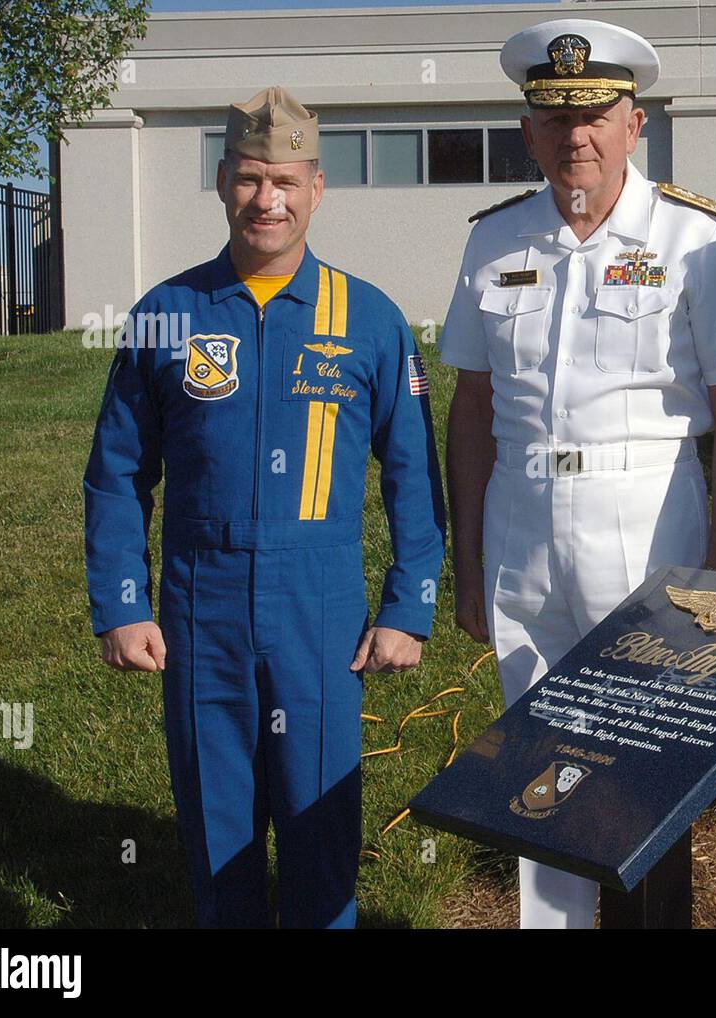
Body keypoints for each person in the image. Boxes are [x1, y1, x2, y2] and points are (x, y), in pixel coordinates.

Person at [440, 19, 716, 928]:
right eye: (554, 120)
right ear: (529, 131)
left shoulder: (692, 236)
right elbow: (471, 408)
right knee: (538, 769)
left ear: (635, 124)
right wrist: (469, 563)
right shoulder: (495, 240)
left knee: (642, 773)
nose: (576, 138)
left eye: (596, 116)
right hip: (521, 522)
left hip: (646, 523)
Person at [83, 85, 445, 928]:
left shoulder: (370, 320)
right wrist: (121, 601)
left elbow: (413, 476)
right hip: (199, 603)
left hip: (318, 608)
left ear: (317, 189)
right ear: (221, 182)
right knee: (218, 839)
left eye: (286, 181)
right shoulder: (166, 315)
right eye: (250, 179)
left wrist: (409, 606)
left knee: (322, 842)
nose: (267, 200)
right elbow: (117, 472)